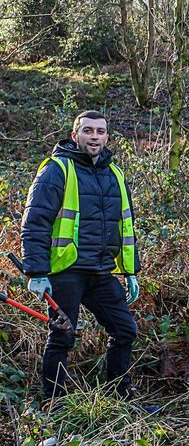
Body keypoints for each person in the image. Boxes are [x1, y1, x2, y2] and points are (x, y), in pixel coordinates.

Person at [20, 111, 143, 400]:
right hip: (66, 270)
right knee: (62, 337)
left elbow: (125, 226)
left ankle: (119, 397)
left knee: (125, 331)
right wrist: (36, 273)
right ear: (75, 136)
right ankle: (56, 405)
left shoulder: (115, 173)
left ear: (107, 136)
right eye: (88, 131)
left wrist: (130, 271)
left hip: (101, 271)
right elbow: (35, 221)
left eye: (100, 132)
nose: (95, 137)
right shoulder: (56, 169)